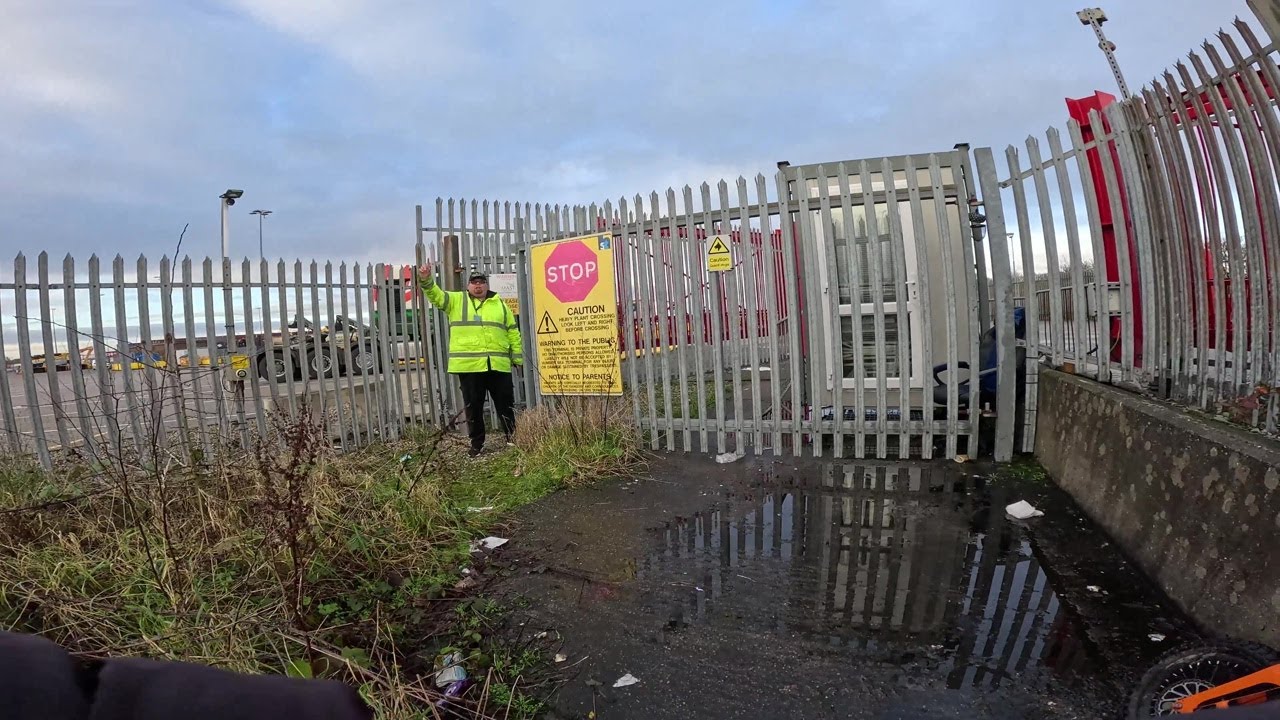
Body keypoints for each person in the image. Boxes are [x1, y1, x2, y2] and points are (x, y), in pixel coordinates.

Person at [417, 262, 522, 456]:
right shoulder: (456, 301)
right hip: (470, 367)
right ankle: (477, 444)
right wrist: (426, 279)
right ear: (468, 286)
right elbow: (435, 295)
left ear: (487, 285)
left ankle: (512, 438)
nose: (478, 285)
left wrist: (517, 358)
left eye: (481, 282)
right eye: (474, 282)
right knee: (473, 407)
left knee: (506, 404)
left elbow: (512, 331)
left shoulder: (500, 304)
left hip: (498, 365)